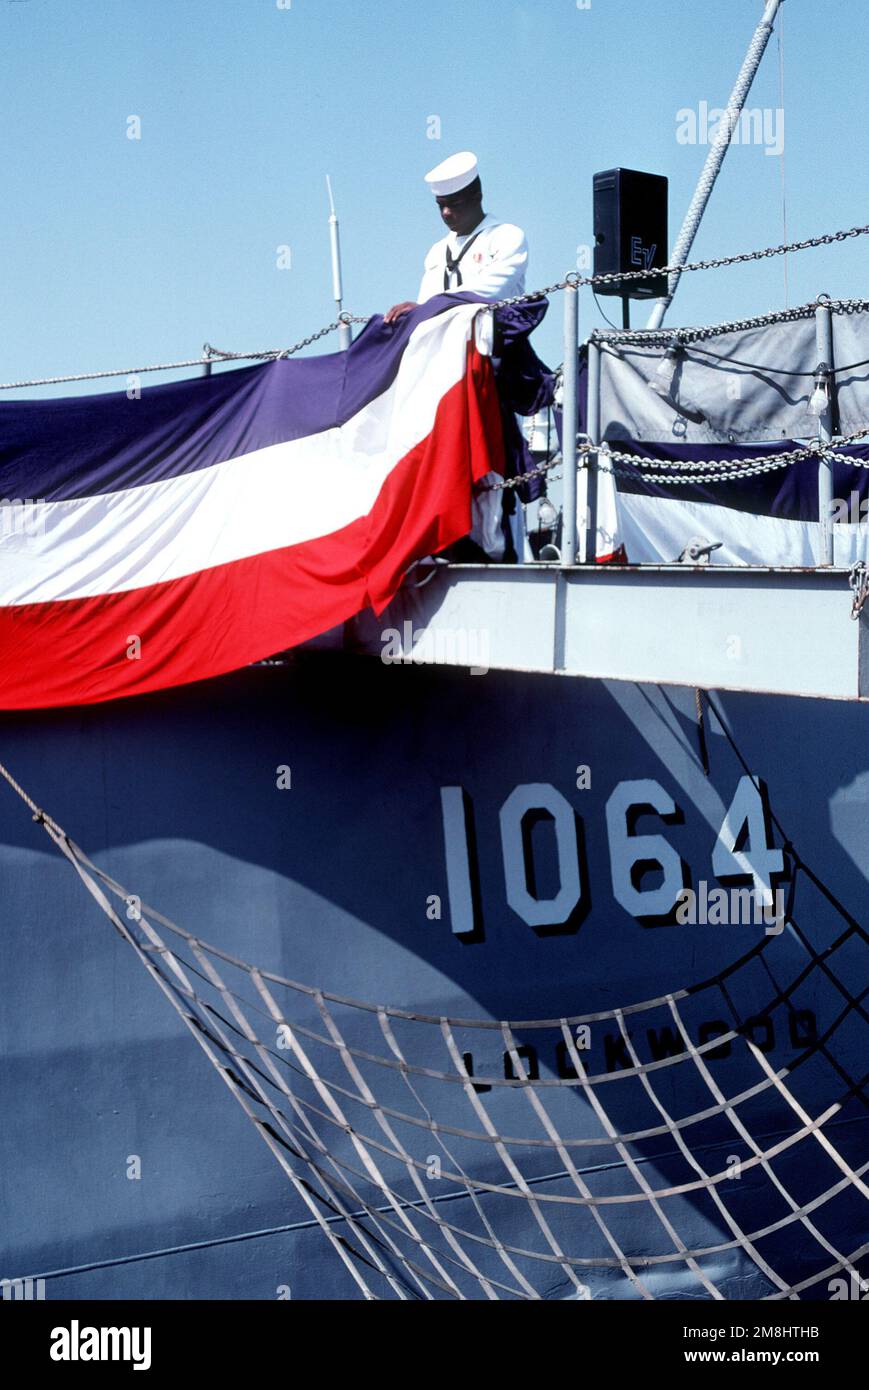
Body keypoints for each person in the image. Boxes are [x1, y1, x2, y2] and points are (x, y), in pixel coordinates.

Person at [384, 151, 528, 323]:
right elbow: (426, 304)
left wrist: (430, 306)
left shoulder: (506, 236)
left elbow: (489, 289)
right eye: (441, 205)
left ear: (477, 198)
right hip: (447, 343)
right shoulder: (438, 251)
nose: (446, 213)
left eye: (454, 205)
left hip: (497, 341)